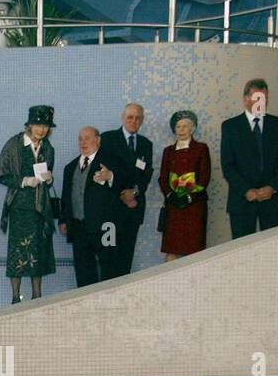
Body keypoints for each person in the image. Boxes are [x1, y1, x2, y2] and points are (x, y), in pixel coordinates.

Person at [0, 105, 57, 303]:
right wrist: (23, 181)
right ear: (29, 125)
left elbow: (47, 175)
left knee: (38, 250)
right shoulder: (13, 145)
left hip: (40, 209)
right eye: (38, 124)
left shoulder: (48, 148)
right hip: (20, 208)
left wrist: (49, 179)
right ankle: (16, 297)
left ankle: (37, 296)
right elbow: (2, 174)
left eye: (46, 126)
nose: (41, 129)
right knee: (18, 252)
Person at [219, 78, 278, 238]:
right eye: (257, 98)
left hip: (272, 201)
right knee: (241, 251)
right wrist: (246, 190)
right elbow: (228, 165)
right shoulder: (231, 127)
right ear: (246, 99)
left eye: (265, 98)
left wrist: (272, 187)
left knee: (274, 248)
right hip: (242, 201)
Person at [58, 127, 119, 287]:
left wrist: (110, 176)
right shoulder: (70, 167)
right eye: (80, 139)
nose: (83, 142)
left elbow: (125, 180)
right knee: (83, 270)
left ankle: (110, 304)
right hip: (79, 227)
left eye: (87, 138)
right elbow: (66, 197)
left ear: (98, 140)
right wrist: (63, 220)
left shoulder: (111, 160)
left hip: (107, 227)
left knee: (110, 267)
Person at [98, 104, 153, 278]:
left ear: (142, 121)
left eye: (138, 118)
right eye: (130, 117)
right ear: (123, 117)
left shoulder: (146, 144)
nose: (134, 121)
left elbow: (146, 175)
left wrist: (134, 193)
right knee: (108, 259)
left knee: (125, 260)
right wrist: (123, 193)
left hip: (133, 210)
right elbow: (102, 172)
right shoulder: (107, 139)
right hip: (111, 211)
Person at [157, 110, 210, 261]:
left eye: (185, 126)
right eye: (178, 126)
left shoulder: (201, 149)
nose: (181, 130)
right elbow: (163, 178)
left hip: (194, 206)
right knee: (172, 248)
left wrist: (189, 197)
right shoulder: (168, 151)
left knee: (194, 249)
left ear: (192, 128)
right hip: (173, 206)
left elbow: (204, 177)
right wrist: (170, 195)